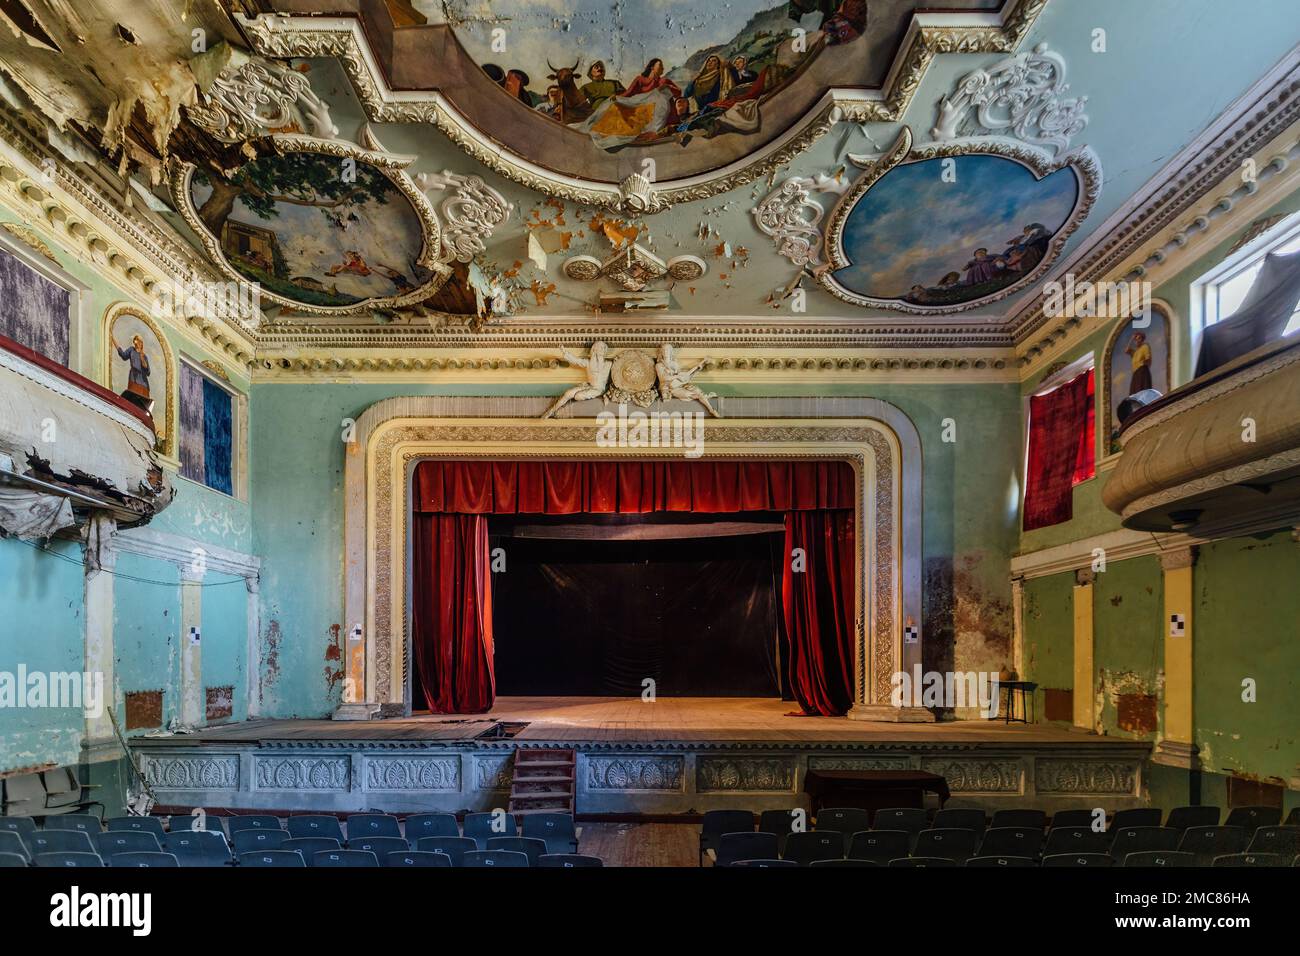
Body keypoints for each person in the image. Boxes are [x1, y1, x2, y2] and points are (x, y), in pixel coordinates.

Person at [112, 332, 152, 412]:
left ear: (141, 343)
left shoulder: (144, 356)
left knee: (142, 404)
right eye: (136, 340)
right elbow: (123, 355)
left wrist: (141, 355)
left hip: (143, 383)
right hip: (133, 378)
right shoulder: (131, 350)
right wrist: (113, 340)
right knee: (132, 400)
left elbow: (148, 372)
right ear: (134, 341)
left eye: (139, 341)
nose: (137, 342)